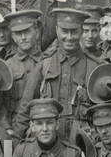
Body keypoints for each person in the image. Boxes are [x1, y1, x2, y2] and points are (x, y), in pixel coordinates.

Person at [13, 8, 98, 140]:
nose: (69, 37)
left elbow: (103, 113)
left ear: (81, 31)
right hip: (48, 143)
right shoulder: (44, 66)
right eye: (65, 31)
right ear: (57, 30)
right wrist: (17, 143)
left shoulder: (95, 67)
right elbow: (25, 109)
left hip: (82, 142)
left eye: (74, 31)